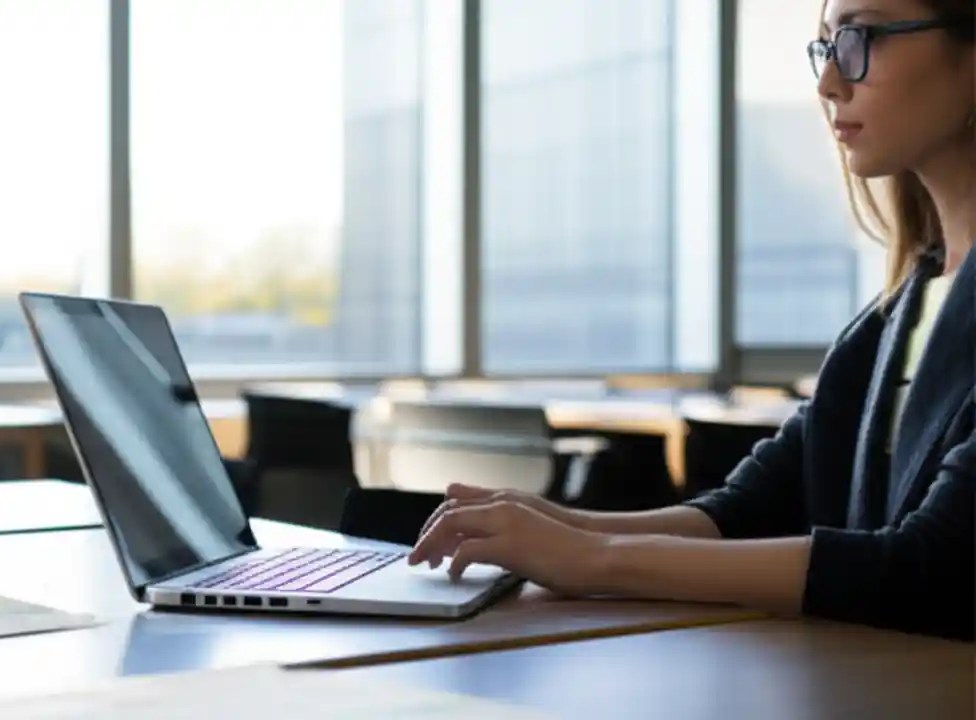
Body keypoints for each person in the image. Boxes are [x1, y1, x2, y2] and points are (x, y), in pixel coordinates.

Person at [409, 0, 974, 641]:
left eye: (860, 37)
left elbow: (933, 571)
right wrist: (563, 526)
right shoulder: (894, 317)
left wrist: (593, 558)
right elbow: (748, 512)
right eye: (827, 46)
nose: (828, 82)